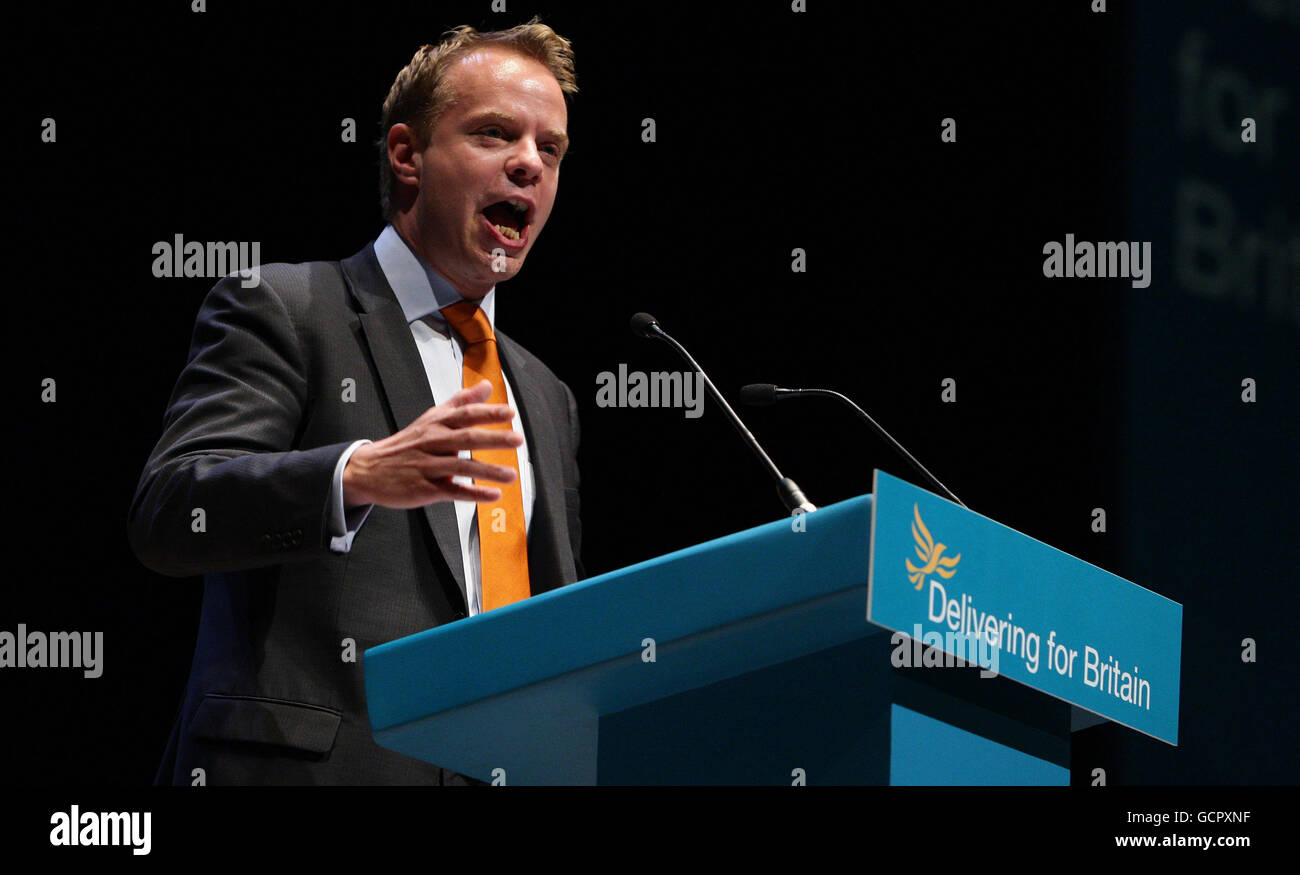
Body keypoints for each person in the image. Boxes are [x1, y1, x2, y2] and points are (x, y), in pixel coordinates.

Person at [128, 19, 583, 785]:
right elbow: (170, 512)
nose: (528, 164)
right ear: (406, 155)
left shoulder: (546, 392)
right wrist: (354, 475)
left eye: (552, 149)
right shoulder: (285, 307)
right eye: (495, 134)